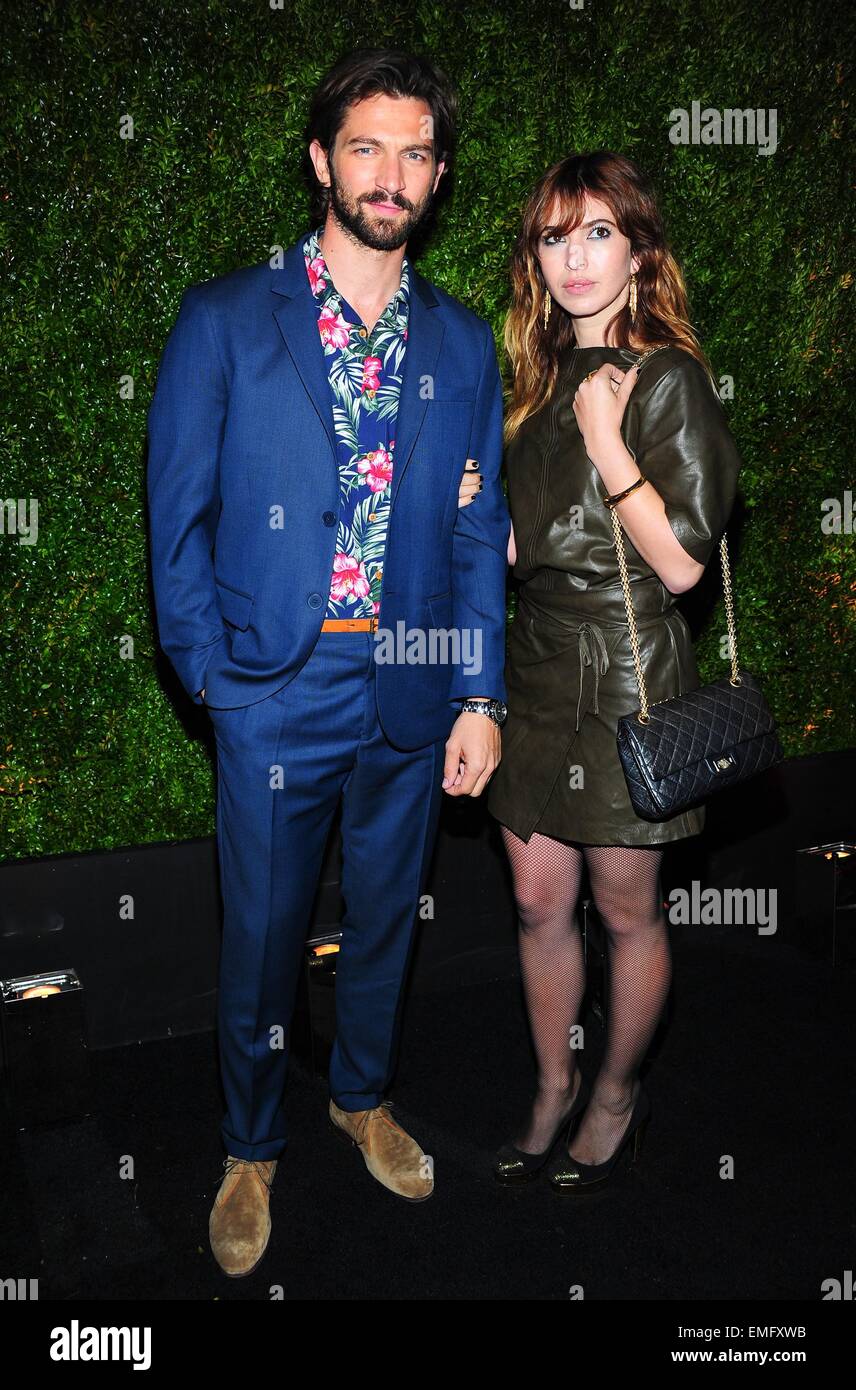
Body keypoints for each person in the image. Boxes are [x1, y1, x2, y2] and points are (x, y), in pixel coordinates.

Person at [146, 48, 510, 1276]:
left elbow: (473, 530)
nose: (389, 173)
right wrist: (215, 678)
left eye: (414, 152)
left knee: (389, 920)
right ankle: (250, 1146)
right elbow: (176, 521)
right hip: (272, 689)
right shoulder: (225, 318)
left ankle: (362, 1097)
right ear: (320, 160)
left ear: (437, 176)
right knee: (259, 933)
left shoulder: (461, 346)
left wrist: (478, 691)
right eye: (366, 146)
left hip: (408, 678)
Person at [485, 151, 741, 1191]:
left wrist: (609, 441)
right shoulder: (533, 390)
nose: (575, 256)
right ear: (536, 259)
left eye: (597, 231)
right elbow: (524, 549)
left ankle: (617, 1090)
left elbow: (683, 563)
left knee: (627, 911)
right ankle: (552, 1082)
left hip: (632, 670)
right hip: (537, 669)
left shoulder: (667, 377)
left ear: (638, 248)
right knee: (540, 905)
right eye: (555, 235)